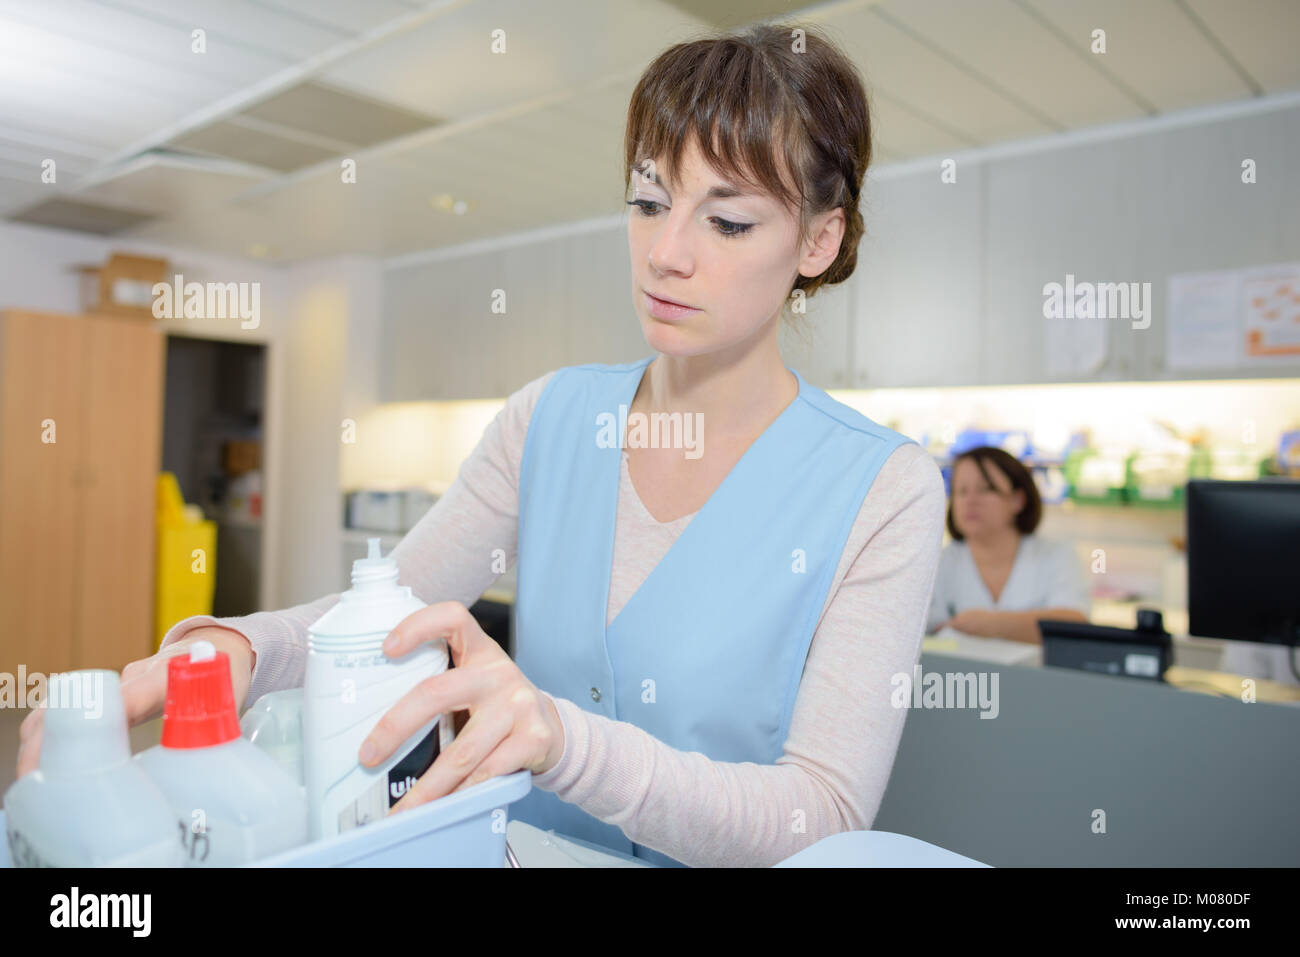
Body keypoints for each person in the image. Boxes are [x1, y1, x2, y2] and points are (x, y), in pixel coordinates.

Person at [18, 24, 946, 867]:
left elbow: (822, 815)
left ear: (819, 240)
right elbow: (384, 620)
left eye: (727, 219)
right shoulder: (548, 420)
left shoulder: (884, 489)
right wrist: (235, 649)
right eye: (648, 201)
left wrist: (562, 739)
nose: (667, 252)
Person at [927, 446, 1091, 644]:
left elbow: (1072, 625)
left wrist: (981, 623)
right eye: (961, 491)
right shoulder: (936, 563)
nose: (970, 501)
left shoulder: (1057, 556)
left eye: (986, 489)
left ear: (1018, 500)